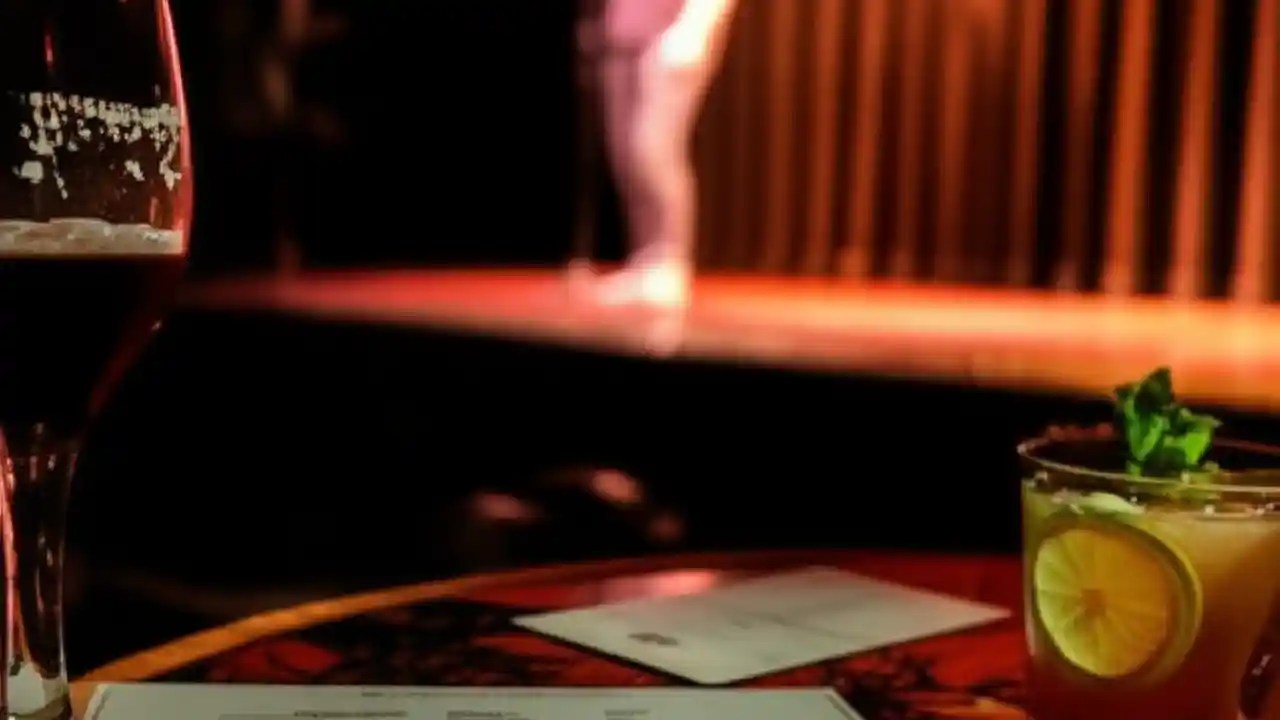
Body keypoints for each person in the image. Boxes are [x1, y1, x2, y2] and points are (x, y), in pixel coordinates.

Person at [573, 0, 739, 310]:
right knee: (624, 154)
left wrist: (695, 29)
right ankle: (644, 263)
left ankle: (669, 263)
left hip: (669, 36)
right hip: (622, 34)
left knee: (652, 149)